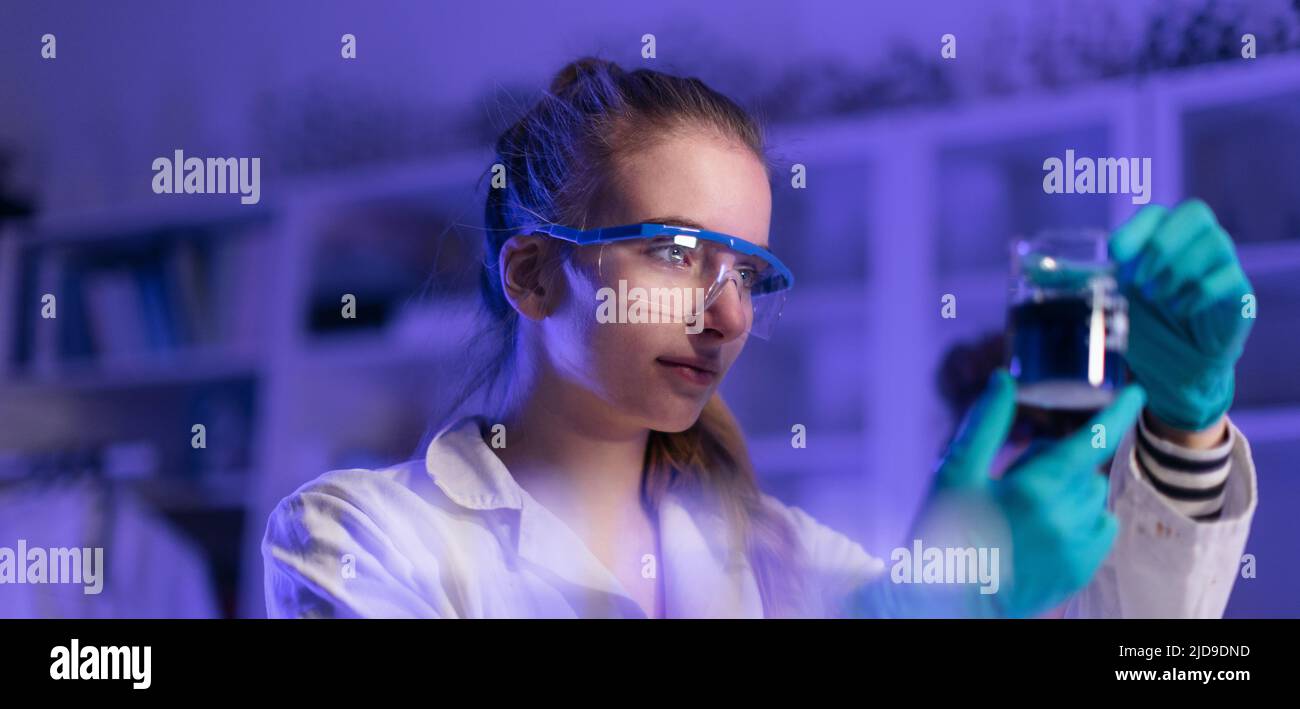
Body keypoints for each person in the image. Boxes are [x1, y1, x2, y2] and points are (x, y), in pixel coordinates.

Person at [262, 57, 1257, 618]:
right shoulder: (358, 539)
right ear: (530, 273)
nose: (730, 314)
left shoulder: (776, 558)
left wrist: (1183, 431)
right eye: (677, 252)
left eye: (747, 272)